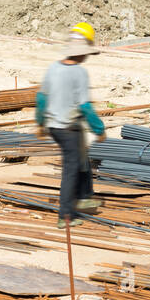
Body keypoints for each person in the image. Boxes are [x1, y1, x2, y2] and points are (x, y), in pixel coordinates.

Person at [36, 22, 106, 228]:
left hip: (54, 126)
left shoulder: (53, 68)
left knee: (81, 155)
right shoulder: (79, 73)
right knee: (71, 169)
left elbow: (41, 99)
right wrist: (99, 129)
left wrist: (40, 124)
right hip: (68, 127)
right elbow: (85, 106)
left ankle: (84, 196)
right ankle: (65, 216)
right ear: (82, 52)